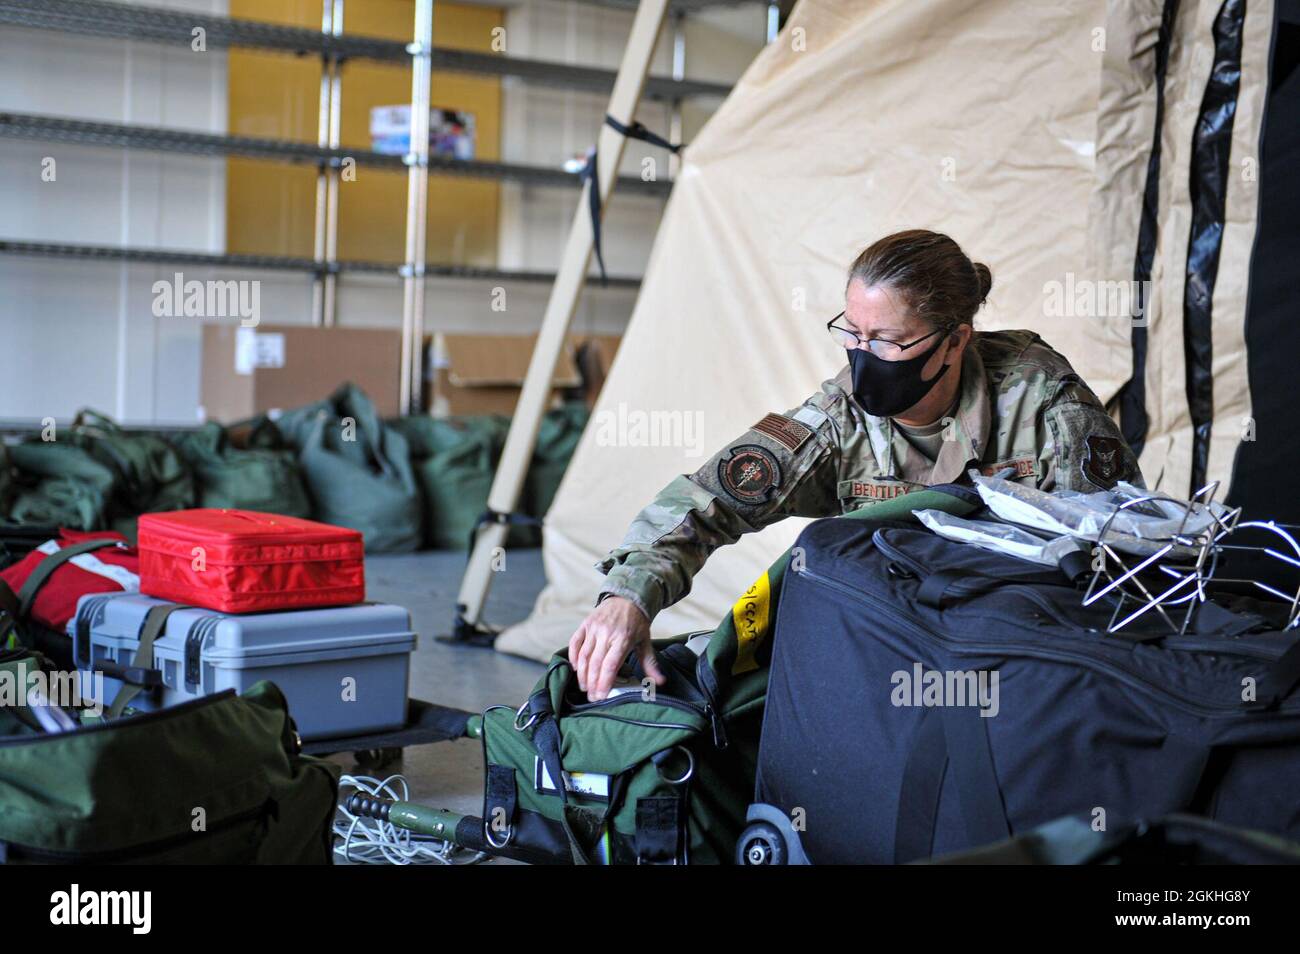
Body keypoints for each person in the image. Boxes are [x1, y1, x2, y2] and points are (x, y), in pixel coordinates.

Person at [569, 229, 1142, 700]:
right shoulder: (837, 420)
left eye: (888, 340)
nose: (864, 356)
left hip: (1025, 660)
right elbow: (707, 501)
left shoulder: (1041, 400)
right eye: (853, 333)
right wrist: (627, 596)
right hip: (887, 656)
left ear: (955, 340)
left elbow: (1117, 552)